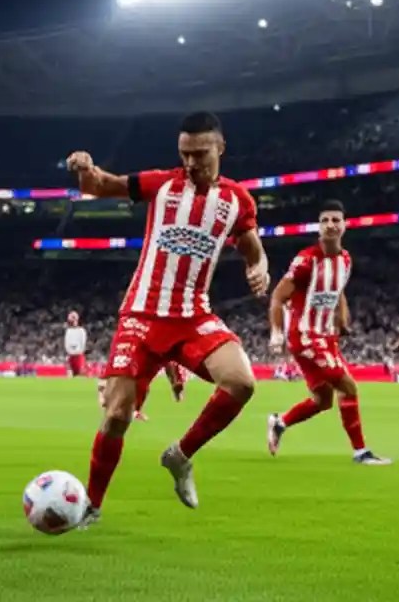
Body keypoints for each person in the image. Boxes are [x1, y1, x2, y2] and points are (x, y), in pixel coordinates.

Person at [66, 111, 270, 528]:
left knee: (241, 383)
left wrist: (260, 268)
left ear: (221, 148)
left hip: (193, 316)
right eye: (184, 154)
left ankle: (180, 455)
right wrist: (85, 168)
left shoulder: (237, 201)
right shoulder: (162, 185)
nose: (191, 162)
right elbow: (100, 185)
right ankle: (92, 505)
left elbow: (252, 247)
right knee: (118, 415)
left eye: (200, 153)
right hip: (142, 314)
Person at [266, 200, 391, 465]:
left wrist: (342, 320)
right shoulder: (306, 260)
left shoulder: (345, 260)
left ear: (345, 225)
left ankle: (280, 422)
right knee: (348, 386)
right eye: (325, 221)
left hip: (327, 336)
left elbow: (338, 291)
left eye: (336, 220)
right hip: (305, 336)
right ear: (318, 227)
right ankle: (361, 452)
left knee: (323, 401)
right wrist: (276, 333)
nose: (330, 225)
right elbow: (277, 297)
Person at [64, 310, 88, 377]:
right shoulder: (68, 331)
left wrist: (79, 351)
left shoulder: (81, 331)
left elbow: (83, 342)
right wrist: (69, 351)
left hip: (79, 355)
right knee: (70, 373)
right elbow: (66, 343)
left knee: (80, 373)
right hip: (71, 355)